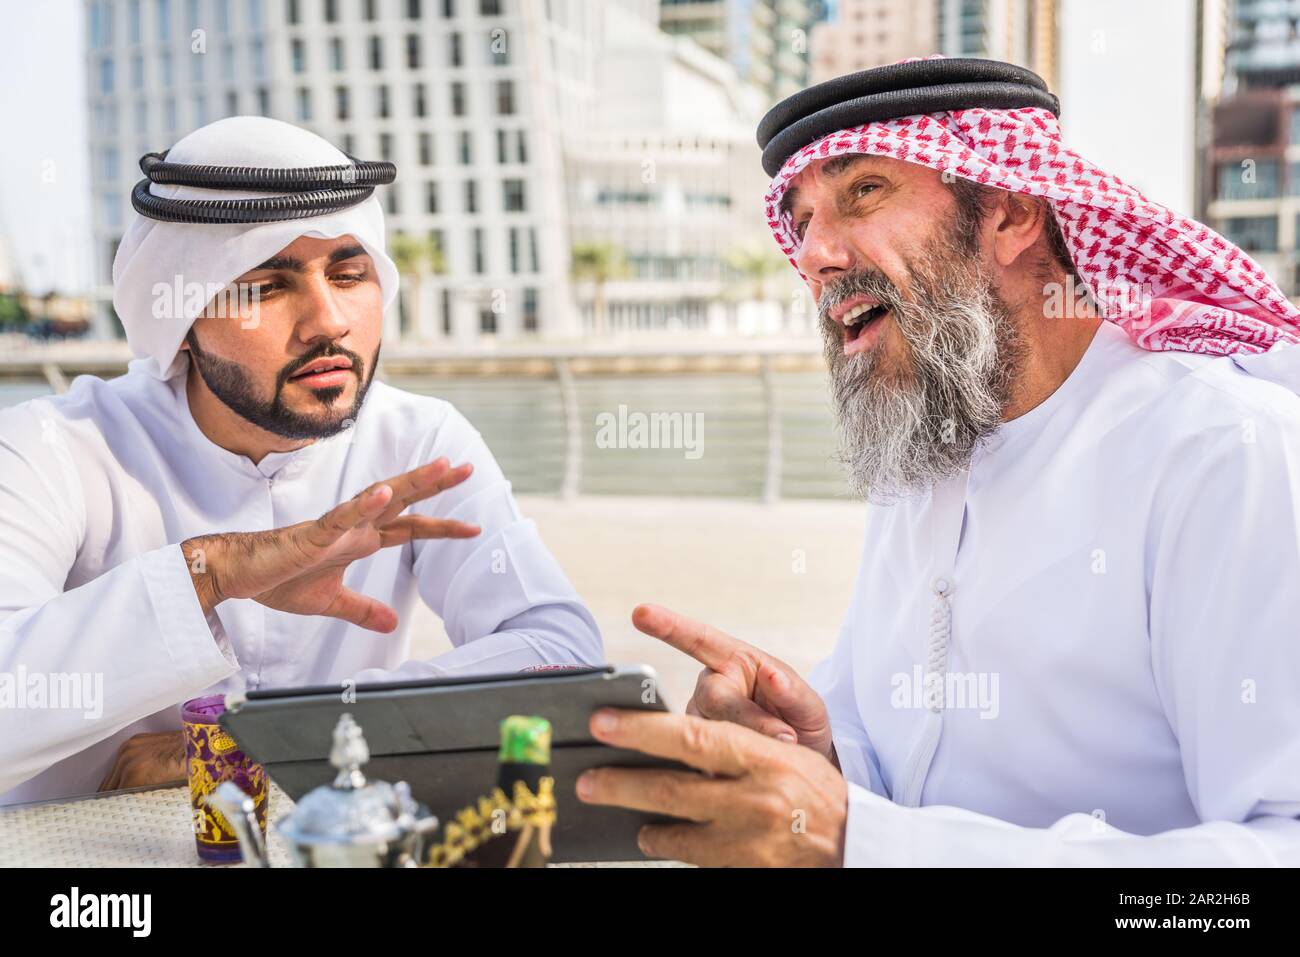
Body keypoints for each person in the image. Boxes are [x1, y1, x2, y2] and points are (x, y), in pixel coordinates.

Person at [577, 57, 1300, 866]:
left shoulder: (1221, 455)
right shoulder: (927, 434)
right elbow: (901, 765)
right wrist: (814, 758)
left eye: (864, 193)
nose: (814, 254)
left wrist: (860, 838)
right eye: (803, 217)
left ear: (1009, 210)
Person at [0, 117, 602, 805]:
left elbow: (560, 654)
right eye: (266, 286)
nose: (329, 321)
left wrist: (248, 740)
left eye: (350, 275)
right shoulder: (53, 447)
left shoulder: (418, 440)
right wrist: (210, 574)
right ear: (182, 317)